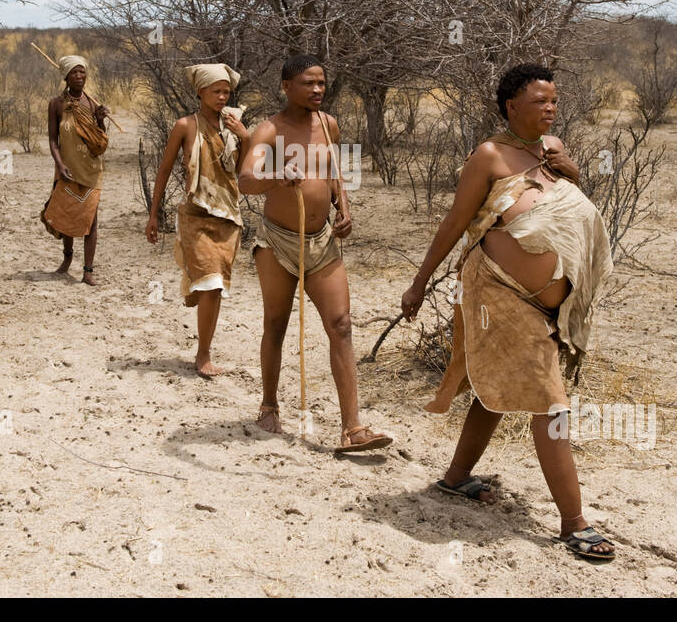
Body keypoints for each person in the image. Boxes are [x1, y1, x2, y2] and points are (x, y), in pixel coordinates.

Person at [400, 63, 617, 560]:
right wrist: (419, 283)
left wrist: (570, 171)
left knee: (497, 386)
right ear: (510, 106)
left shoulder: (551, 149)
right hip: (495, 289)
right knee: (550, 402)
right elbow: (456, 221)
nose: (551, 108)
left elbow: (567, 199)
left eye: (554, 100)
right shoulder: (490, 155)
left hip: (544, 305)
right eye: (540, 100)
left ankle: (455, 478)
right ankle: (574, 522)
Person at [238, 54, 392, 453]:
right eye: (308, 83)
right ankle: (269, 405)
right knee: (276, 322)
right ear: (286, 86)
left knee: (340, 324)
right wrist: (277, 176)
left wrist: (344, 206)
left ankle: (353, 428)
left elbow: (333, 170)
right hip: (277, 241)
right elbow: (246, 180)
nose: (317, 90)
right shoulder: (269, 130)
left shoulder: (328, 124)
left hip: (322, 240)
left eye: (321, 83)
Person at [146, 63, 251, 378]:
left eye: (226, 91)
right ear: (200, 92)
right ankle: (203, 354)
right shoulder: (185, 126)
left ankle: (204, 350)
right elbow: (164, 170)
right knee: (210, 282)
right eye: (216, 91)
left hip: (228, 216)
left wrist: (245, 138)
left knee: (216, 288)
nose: (222, 97)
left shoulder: (234, 125)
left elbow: (246, 174)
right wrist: (154, 214)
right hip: (195, 215)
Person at [41, 56, 109, 284]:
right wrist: (60, 165)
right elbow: (53, 140)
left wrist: (100, 121)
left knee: (91, 219)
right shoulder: (56, 104)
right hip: (67, 168)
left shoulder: (92, 104)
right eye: (74, 73)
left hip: (91, 170)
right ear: (66, 77)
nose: (79, 77)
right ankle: (67, 259)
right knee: (68, 214)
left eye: (82, 72)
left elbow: (100, 143)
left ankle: (88, 271)